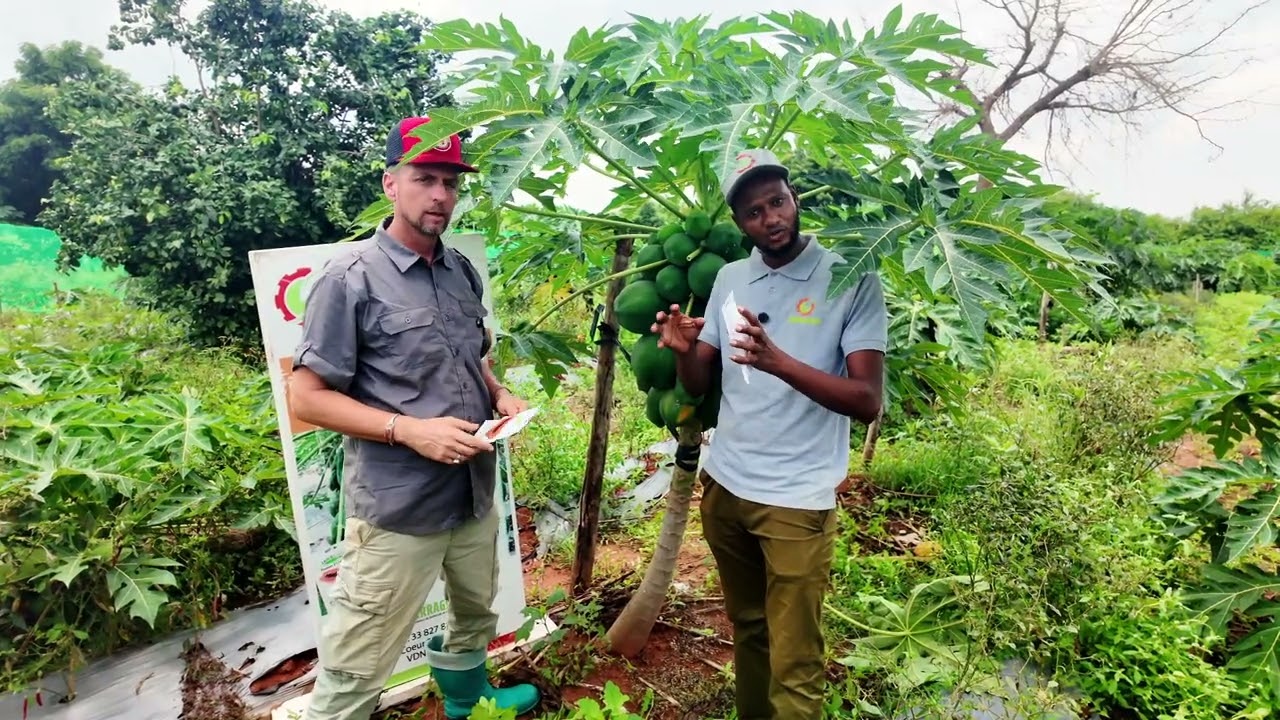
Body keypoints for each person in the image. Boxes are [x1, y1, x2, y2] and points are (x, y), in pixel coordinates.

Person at [287, 116, 541, 720]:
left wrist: (499, 392)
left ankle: (467, 701)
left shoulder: (460, 271)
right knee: (358, 659)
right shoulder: (349, 279)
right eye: (425, 179)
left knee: (475, 614)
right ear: (391, 184)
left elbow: (473, 357)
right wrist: (409, 431)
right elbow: (306, 397)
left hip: (471, 492)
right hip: (400, 509)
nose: (440, 195)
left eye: (450, 183)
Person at [652, 148, 887, 720]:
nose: (771, 218)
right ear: (740, 223)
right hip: (726, 487)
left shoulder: (851, 276)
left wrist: (779, 362)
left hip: (796, 501)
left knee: (796, 662)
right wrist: (683, 352)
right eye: (754, 212)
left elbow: (867, 400)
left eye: (777, 202)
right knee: (749, 629)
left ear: (794, 198)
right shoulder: (731, 278)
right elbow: (700, 377)